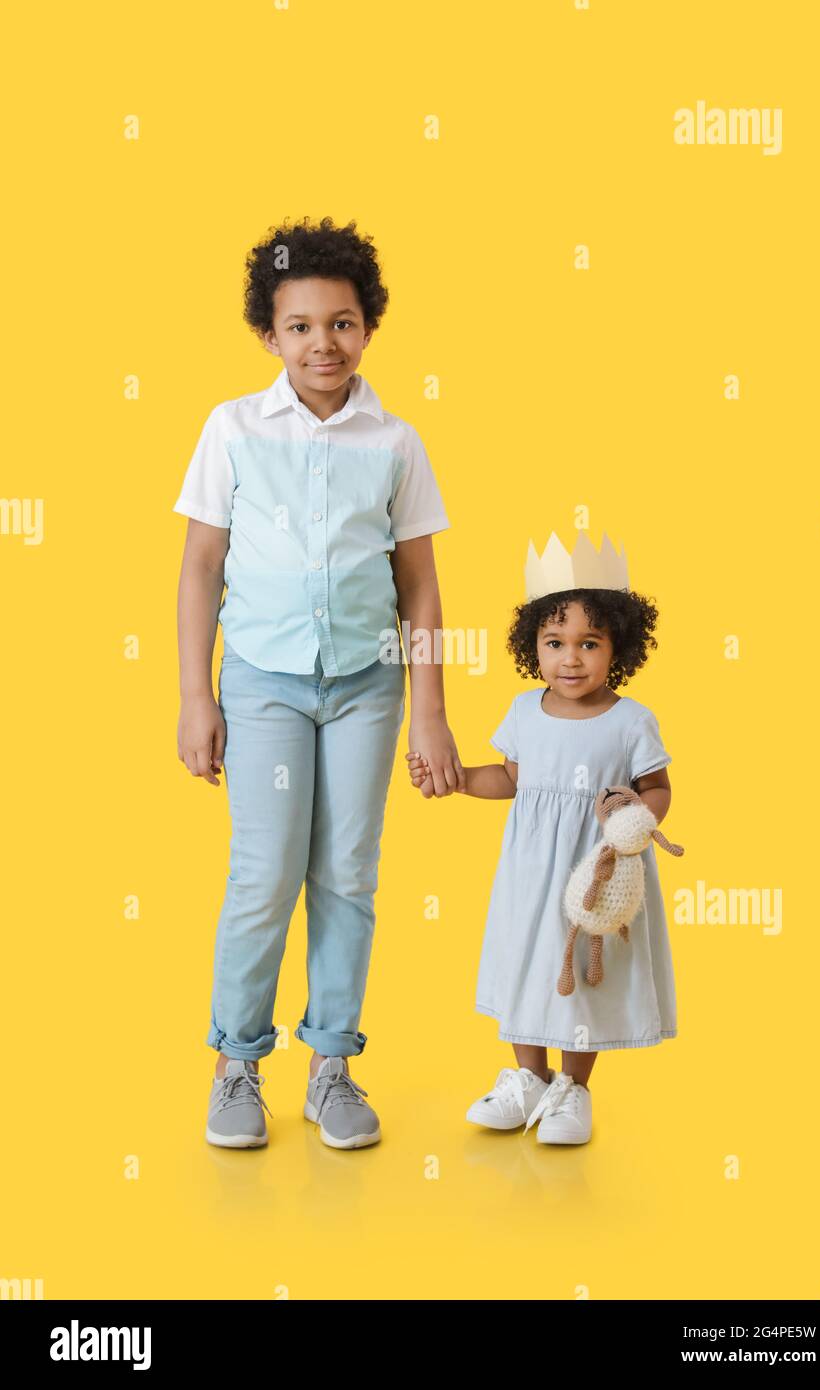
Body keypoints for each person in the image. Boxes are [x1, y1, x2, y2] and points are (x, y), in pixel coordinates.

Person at [174, 216, 464, 1150]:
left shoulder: (395, 441)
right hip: (263, 683)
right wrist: (195, 696)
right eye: (300, 326)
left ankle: (331, 1063)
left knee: (347, 872)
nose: (323, 343)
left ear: (368, 325)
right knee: (265, 872)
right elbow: (201, 567)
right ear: (270, 335)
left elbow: (419, 585)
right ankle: (237, 1065)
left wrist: (429, 714)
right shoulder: (232, 428)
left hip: (367, 688)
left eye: (341, 323)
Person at [406, 546, 678, 1145]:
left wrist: (637, 820)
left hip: (596, 874)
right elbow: (509, 779)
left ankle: (572, 1088)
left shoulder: (631, 721)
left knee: (583, 972)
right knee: (528, 961)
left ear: (619, 648)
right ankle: (529, 1078)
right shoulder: (525, 711)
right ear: (533, 645)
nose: (570, 658)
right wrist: (453, 779)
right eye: (555, 642)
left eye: (589, 643)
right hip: (530, 873)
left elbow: (657, 788)